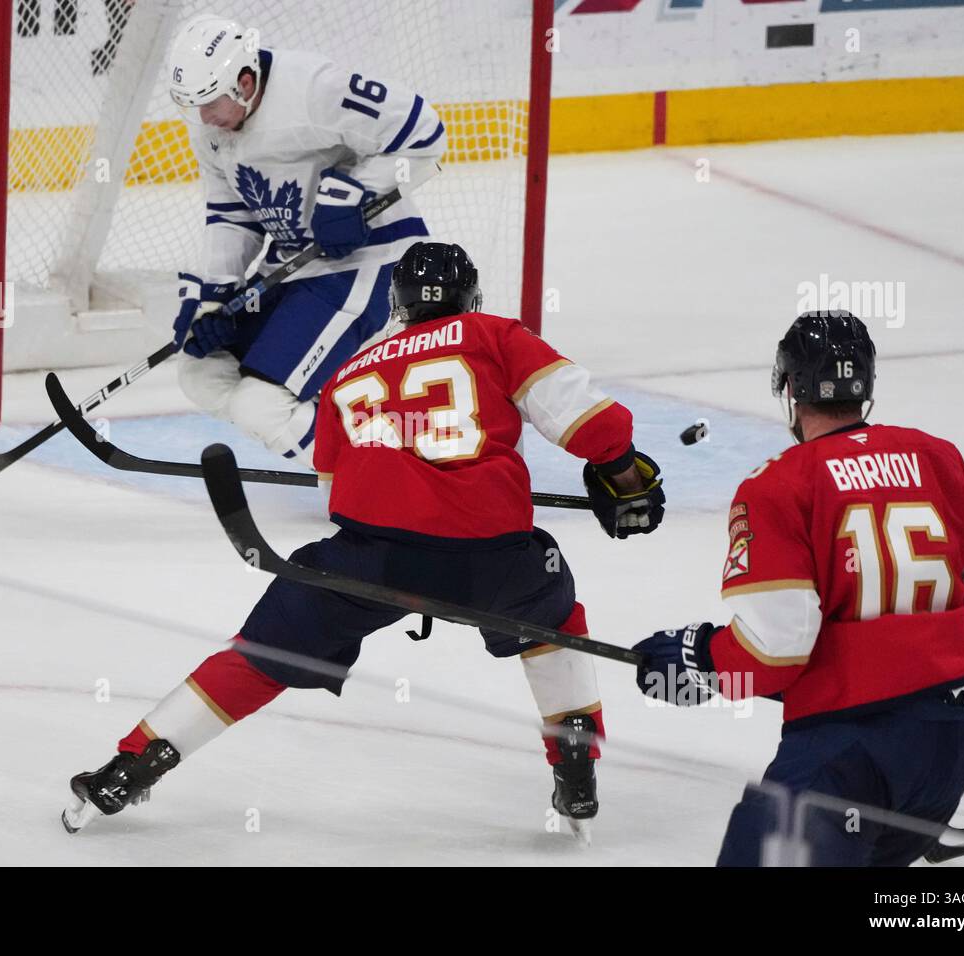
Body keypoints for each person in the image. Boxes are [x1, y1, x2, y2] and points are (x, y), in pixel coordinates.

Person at [63, 242, 666, 838]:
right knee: (554, 617)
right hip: (494, 558)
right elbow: (596, 423)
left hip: (368, 563)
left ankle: (132, 764)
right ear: (470, 296)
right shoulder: (495, 334)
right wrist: (624, 479)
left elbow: (333, 484)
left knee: (262, 653)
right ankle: (575, 764)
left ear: (397, 303)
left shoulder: (350, 371)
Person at [632, 311, 964, 866]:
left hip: (847, 759)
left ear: (791, 390)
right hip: (952, 748)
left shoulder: (777, 485)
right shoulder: (935, 456)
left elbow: (776, 650)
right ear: (864, 387)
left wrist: (702, 659)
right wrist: (959, 713)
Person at [165, 15, 447, 468]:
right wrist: (213, 295)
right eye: (194, 106)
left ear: (244, 81)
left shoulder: (315, 88)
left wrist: (356, 192)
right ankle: (348, 439)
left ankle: (378, 485)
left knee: (260, 405)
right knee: (202, 372)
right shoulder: (212, 128)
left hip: (367, 260)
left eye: (211, 102)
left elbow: (424, 132)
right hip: (294, 267)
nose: (204, 118)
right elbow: (232, 215)